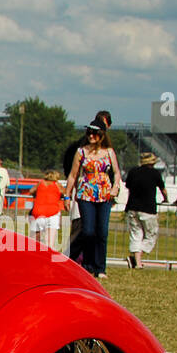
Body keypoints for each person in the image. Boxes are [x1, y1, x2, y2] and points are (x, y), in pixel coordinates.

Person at [63, 119, 120, 279]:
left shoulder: (109, 152)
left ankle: (100, 267)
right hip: (86, 193)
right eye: (89, 133)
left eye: (95, 133)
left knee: (102, 232)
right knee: (87, 230)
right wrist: (67, 195)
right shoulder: (81, 151)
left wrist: (115, 187)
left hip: (104, 194)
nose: (91, 136)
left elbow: (116, 173)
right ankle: (87, 264)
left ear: (102, 135)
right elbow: (73, 174)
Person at [123, 152, 169, 268]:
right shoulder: (155, 173)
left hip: (132, 207)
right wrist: (166, 199)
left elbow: (128, 187)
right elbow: (163, 189)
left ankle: (137, 261)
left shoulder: (133, 172)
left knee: (136, 234)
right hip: (148, 208)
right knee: (151, 235)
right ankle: (137, 258)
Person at [29, 169, 65, 251]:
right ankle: (47, 259)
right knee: (49, 243)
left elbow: (31, 191)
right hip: (53, 213)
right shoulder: (57, 184)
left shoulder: (40, 183)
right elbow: (64, 192)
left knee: (34, 242)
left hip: (38, 213)